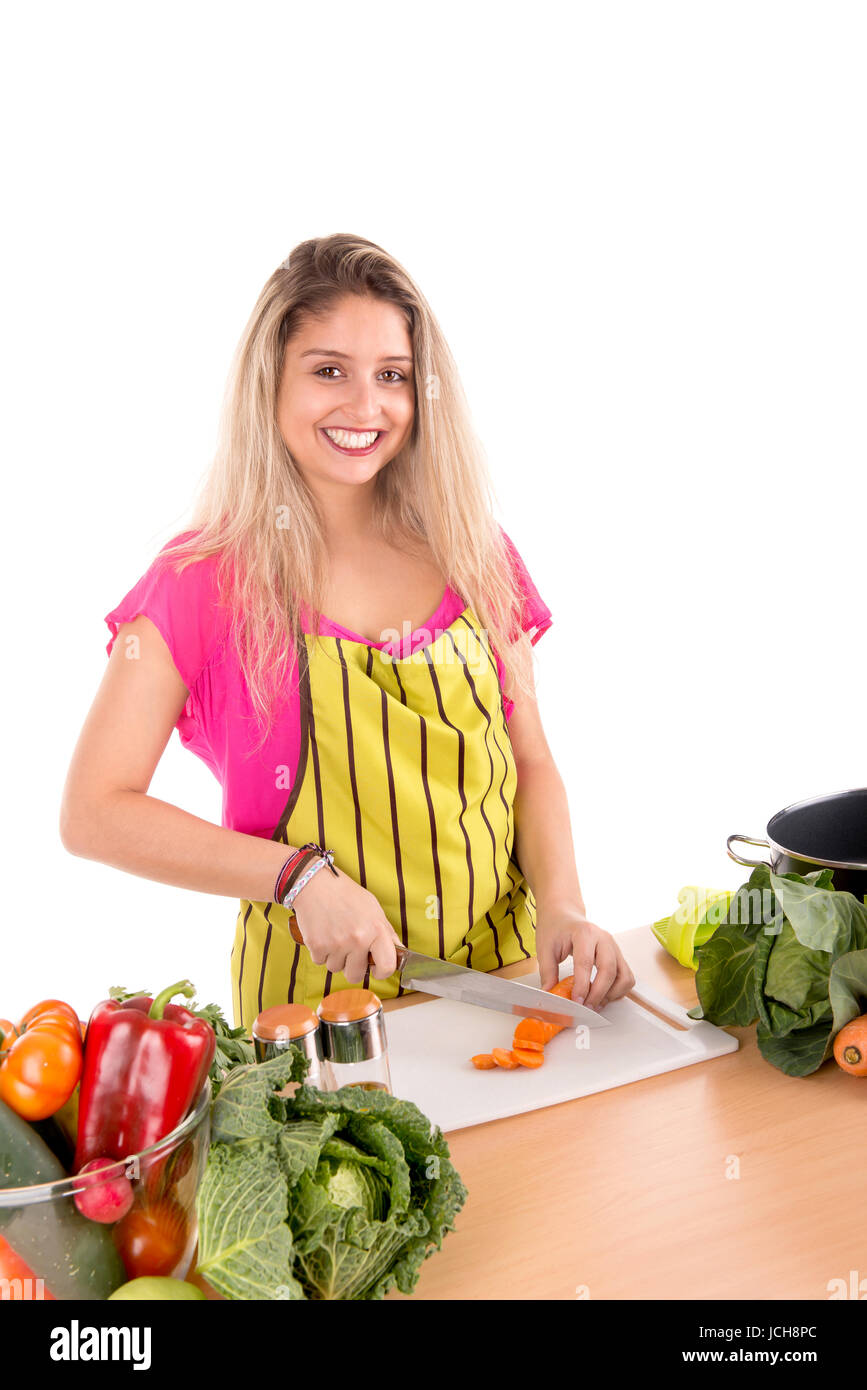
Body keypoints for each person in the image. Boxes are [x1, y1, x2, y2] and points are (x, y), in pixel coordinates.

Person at [60, 232, 635, 1028]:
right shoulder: (203, 579)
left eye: (392, 377)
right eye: (328, 370)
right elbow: (94, 812)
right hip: (321, 1012)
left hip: (505, 983)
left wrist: (565, 906)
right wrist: (297, 878)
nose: (366, 407)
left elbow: (529, 759)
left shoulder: (472, 549)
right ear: (271, 382)